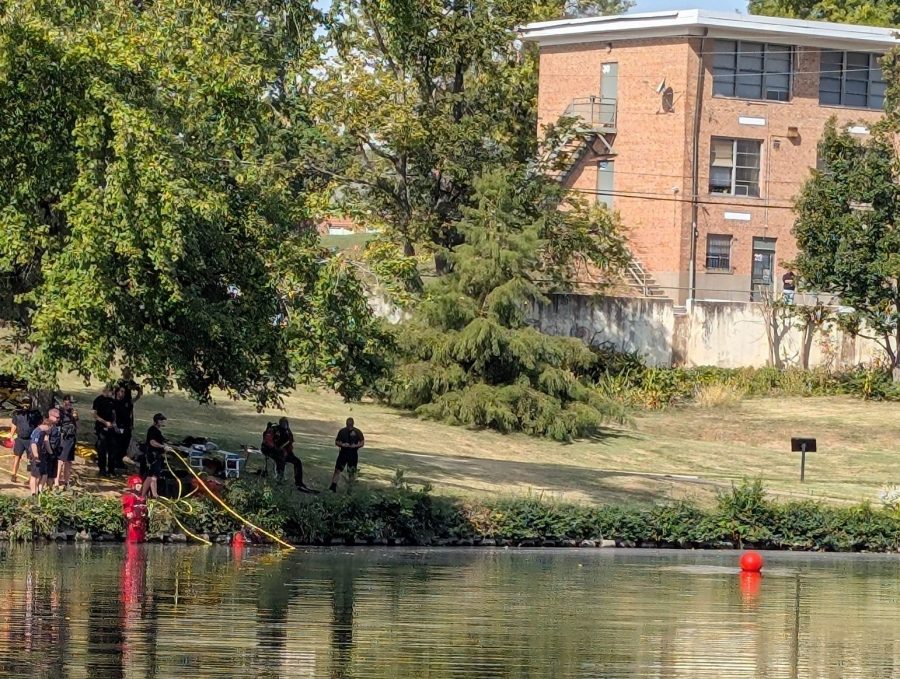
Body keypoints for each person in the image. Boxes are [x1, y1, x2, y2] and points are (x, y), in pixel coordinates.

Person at [261, 418, 316, 493]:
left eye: (286, 424)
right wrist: (275, 448)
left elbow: (289, 443)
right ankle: (279, 479)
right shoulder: (273, 429)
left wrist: (288, 453)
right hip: (270, 450)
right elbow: (267, 440)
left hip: (282, 451)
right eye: (284, 424)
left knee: (297, 461)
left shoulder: (287, 432)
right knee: (280, 459)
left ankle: (299, 483)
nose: (285, 425)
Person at [9, 396, 41, 483]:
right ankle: (13, 474)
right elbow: (14, 424)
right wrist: (11, 435)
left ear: (30, 404)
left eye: (27, 403)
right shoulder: (18, 414)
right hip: (20, 439)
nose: (26, 405)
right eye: (24, 402)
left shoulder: (35, 414)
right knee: (17, 457)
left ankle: (30, 478)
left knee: (30, 460)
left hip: (30, 440)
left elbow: (39, 426)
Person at [330, 418, 364, 493]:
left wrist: (356, 446)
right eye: (348, 425)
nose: (349, 427)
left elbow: (362, 442)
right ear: (346, 424)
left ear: (353, 424)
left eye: (350, 425)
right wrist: (342, 444)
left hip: (353, 454)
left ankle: (350, 488)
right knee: (337, 470)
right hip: (343, 453)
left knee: (351, 472)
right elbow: (336, 442)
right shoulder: (342, 431)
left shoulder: (357, 432)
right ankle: (333, 486)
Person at [28, 409, 58, 496]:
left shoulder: (44, 433)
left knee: (44, 474)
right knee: (35, 475)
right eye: (50, 429)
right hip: (35, 456)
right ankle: (33, 493)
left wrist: (51, 453)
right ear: (48, 426)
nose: (50, 432)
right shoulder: (38, 432)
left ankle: (40, 491)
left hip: (43, 455)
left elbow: (46, 442)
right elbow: (33, 444)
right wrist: (36, 456)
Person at [92, 386, 117, 477]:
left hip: (111, 428)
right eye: (111, 392)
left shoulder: (112, 401)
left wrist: (114, 422)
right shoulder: (98, 400)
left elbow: (114, 413)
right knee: (102, 449)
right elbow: (95, 415)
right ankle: (102, 469)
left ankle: (111, 469)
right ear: (106, 391)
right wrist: (104, 422)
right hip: (101, 427)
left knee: (112, 449)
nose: (112, 394)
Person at [141, 413, 167, 499]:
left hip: (156, 456)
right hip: (153, 456)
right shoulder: (153, 430)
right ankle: (148, 495)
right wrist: (163, 446)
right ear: (157, 421)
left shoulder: (157, 431)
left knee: (152, 476)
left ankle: (149, 495)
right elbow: (152, 442)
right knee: (152, 476)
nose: (164, 422)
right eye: (162, 420)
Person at [55, 395, 78, 489]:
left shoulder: (73, 412)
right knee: (60, 460)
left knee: (68, 461)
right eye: (69, 402)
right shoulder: (60, 411)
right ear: (65, 401)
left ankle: (66, 481)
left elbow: (77, 424)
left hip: (71, 438)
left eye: (72, 403)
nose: (70, 405)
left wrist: (74, 417)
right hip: (63, 437)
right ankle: (56, 481)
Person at [112, 386, 134, 474]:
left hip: (126, 427)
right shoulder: (114, 402)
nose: (122, 393)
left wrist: (131, 424)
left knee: (124, 445)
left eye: (124, 392)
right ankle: (115, 463)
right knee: (117, 445)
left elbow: (131, 414)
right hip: (118, 426)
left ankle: (120, 462)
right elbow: (113, 415)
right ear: (117, 392)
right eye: (121, 391)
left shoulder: (126, 402)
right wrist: (115, 425)